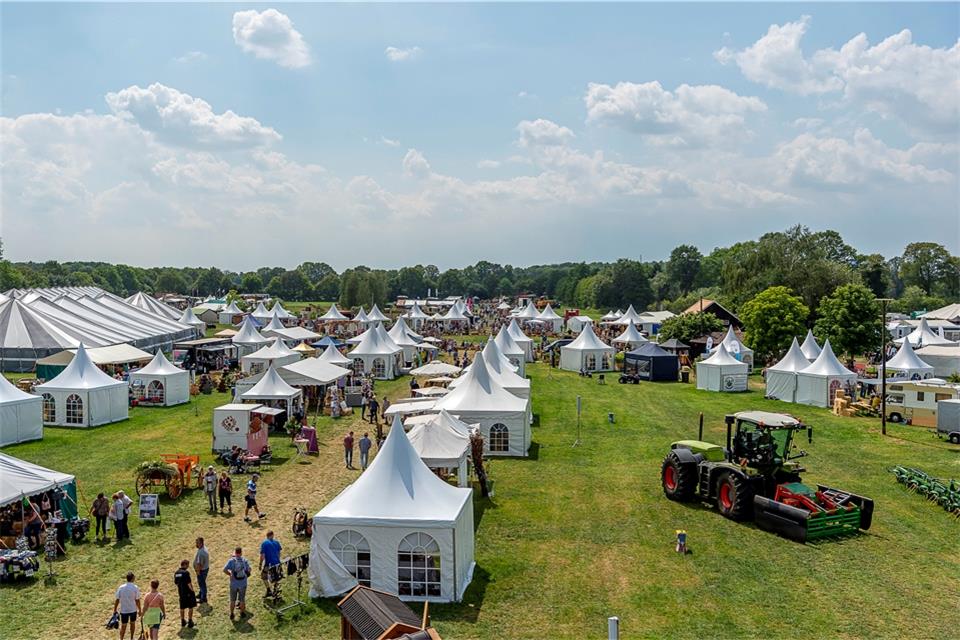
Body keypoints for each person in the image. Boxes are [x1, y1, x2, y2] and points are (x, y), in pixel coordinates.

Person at [223, 547, 251, 621]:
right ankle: (242, 613)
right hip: (243, 583)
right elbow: (249, 570)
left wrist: (230, 574)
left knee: (232, 600)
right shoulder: (245, 560)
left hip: (233, 584)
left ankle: (232, 614)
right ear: (241, 553)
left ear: (235, 553)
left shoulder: (231, 561)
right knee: (242, 599)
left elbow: (224, 570)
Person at [113, 572, 141, 640]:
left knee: (123, 626)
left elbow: (117, 599)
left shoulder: (121, 587)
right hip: (133, 610)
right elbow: (137, 600)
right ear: (132, 578)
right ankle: (131, 638)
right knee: (132, 624)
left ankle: (121, 638)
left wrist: (115, 609)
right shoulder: (135, 587)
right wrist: (140, 609)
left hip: (124, 610)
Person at [173, 559, 196, 628]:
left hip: (181, 593)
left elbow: (176, 583)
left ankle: (182, 621)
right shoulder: (186, 573)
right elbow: (189, 583)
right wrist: (192, 591)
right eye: (187, 565)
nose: (188, 566)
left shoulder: (176, 573)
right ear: (185, 564)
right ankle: (190, 621)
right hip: (188, 593)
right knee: (190, 607)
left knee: (182, 607)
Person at [193, 537, 210, 604]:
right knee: (201, 583)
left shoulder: (201, 553)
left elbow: (200, 564)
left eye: (197, 543)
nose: (196, 544)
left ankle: (203, 598)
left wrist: (198, 571)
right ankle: (201, 594)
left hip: (201, 571)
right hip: (204, 569)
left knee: (202, 584)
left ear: (201, 543)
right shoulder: (203, 548)